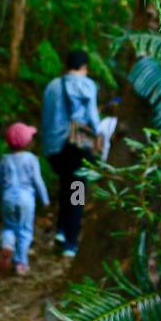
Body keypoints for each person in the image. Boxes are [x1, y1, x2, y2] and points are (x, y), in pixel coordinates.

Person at [40, 49, 101, 257]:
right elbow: (93, 118)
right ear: (84, 67)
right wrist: (100, 137)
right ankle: (71, 242)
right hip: (77, 147)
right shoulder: (87, 85)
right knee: (78, 192)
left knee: (66, 186)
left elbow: (46, 118)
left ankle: (61, 230)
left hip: (55, 149)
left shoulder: (52, 86)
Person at [0, 122, 49, 275]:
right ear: (28, 142)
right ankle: (21, 263)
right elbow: (38, 181)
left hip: (8, 198)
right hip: (26, 200)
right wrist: (45, 200)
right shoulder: (32, 159)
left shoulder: (4, 159)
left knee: (9, 227)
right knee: (24, 231)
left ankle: (7, 246)